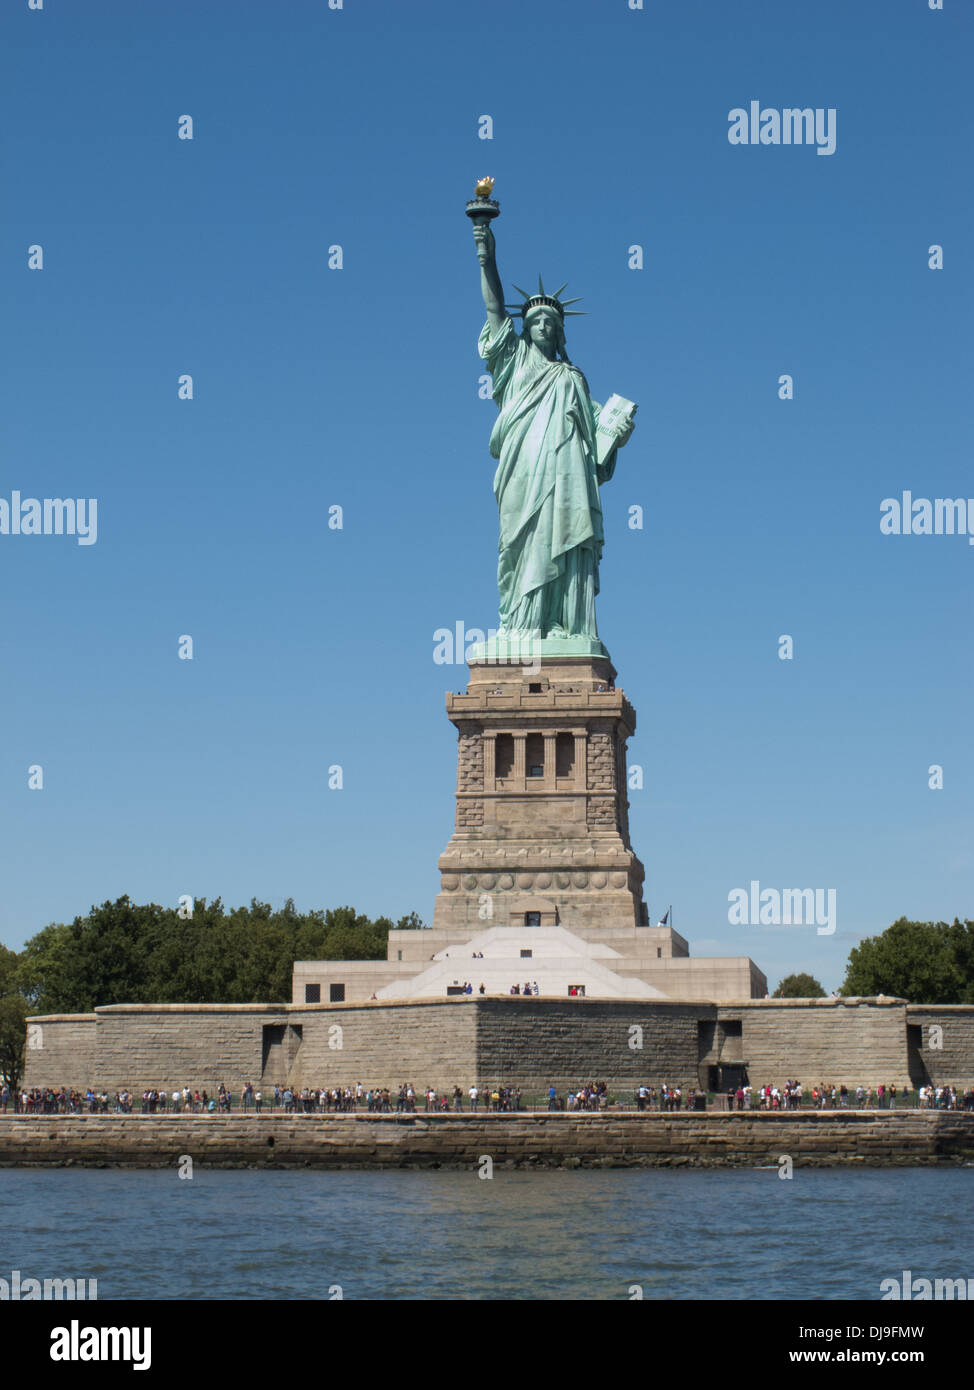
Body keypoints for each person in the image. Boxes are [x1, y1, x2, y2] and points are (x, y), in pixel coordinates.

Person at [471, 216, 635, 644]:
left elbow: (595, 444)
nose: (543, 325)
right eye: (536, 320)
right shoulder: (515, 362)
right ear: (525, 328)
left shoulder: (573, 377)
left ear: (559, 331)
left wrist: (616, 434)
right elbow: (493, 308)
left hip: (566, 473)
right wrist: (485, 254)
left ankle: (565, 625)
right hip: (523, 468)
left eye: (550, 321)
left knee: (563, 533)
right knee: (522, 543)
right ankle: (522, 629)